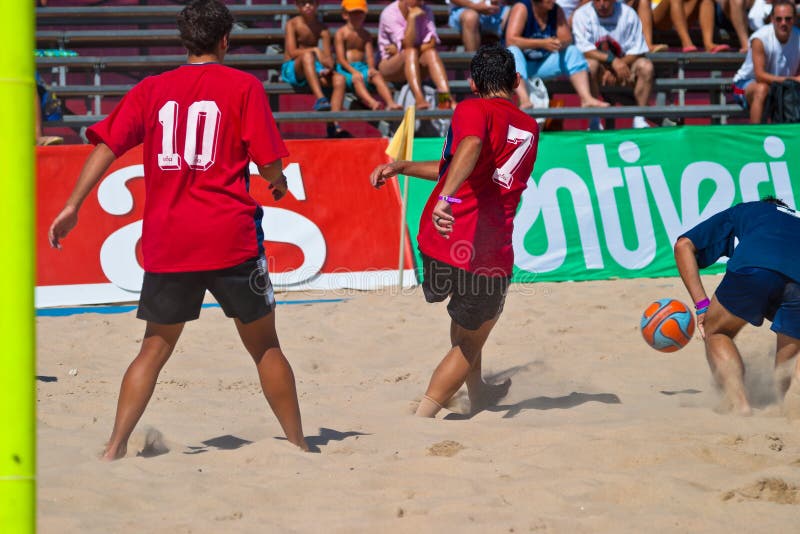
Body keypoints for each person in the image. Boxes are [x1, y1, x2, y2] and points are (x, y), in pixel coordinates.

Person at [47, 0, 309, 459]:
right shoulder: (243, 86)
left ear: (185, 41)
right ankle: (298, 443)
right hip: (231, 238)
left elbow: (107, 145)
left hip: (170, 240)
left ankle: (113, 448)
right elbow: (267, 160)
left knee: (153, 348)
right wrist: (278, 181)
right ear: (225, 40)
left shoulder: (152, 89)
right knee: (265, 345)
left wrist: (73, 204)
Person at [369, 45, 539, 418]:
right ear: (516, 82)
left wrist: (403, 167)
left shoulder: (470, 108)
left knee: (465, 322)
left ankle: (477, 392)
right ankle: (424, 415)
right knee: (472, 338)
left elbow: (464, 159)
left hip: (438, 241)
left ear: (472, 82)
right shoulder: (529, 126)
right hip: (484, 249)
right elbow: (472, 149)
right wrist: (446, 196)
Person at [674, 197, 800, 417]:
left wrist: (703, 307)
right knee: (786, 367)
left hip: (755, 265)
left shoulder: (750, 210)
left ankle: (740, 405)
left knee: (717, 331)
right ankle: (784, 409)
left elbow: (683, 245)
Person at [504, 0, 609, 109]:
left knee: (572, 51)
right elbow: (511, 40)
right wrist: (542, 43)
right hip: (523, 65)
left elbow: (567, 38)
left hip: (543, 64)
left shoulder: (556, 9)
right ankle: (525, 100)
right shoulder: (522, 8)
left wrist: (558, 43)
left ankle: (586, 98)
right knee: (513, 51)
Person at [572, 0, 655, 129]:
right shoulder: (582, 14)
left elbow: (638, 50)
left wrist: (619, 65)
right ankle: (594, 120)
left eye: (606, 0)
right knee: (589, 65)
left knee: (646, 66)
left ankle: (639, 119)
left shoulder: (629, 14)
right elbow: (583, 51)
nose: (602, 4)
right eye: (598, 0)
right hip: (599, 70)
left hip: (625, 69)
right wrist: (613, 62)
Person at [281, 0, 349, 137]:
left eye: (311, 2)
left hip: (313, 69)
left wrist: (328, 66)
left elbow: (328, 59)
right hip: (293, 69)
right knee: (307, 55)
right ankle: (321, 99)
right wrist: (315, 50)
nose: (307, 6)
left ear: (317, 5)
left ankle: (333, 125)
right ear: (297, 6)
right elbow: (292, 52)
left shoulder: (322, 28)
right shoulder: (292, 24)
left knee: (340, 79)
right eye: (303, 3)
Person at [378, 0, 455, 110]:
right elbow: (408, 44)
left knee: (431, 53)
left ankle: (446, 100)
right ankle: (419, 98)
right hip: (390, 66)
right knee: (410, 52)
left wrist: (402, 49)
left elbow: (431, 43)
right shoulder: (389, 13)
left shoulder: (425, 9)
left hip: (414, 62)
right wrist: (412, 18)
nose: (421, 1)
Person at [732, 0, 800, 123]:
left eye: (788, 19)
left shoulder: (798, 37)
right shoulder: (760, 38)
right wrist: (792, 80)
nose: (783, 23)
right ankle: (756, 137)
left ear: (794, 19)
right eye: (779, 19)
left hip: (779, 85)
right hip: (742, 86)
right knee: (762, 89)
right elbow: (760, 76)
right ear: (772, 19)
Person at [335, 0, 402, 110]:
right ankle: (372, 102)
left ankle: (390, 103)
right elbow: (341, 58)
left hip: (362, 67)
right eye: (354, 13)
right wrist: (353, 71)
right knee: (357, 79)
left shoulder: (366, 35)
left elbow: (370, 56)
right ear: (345, 14)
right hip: (345, 69)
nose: (357, 16)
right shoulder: (341, 33)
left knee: (376, 75)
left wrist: (371, 68)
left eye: (360, 13)